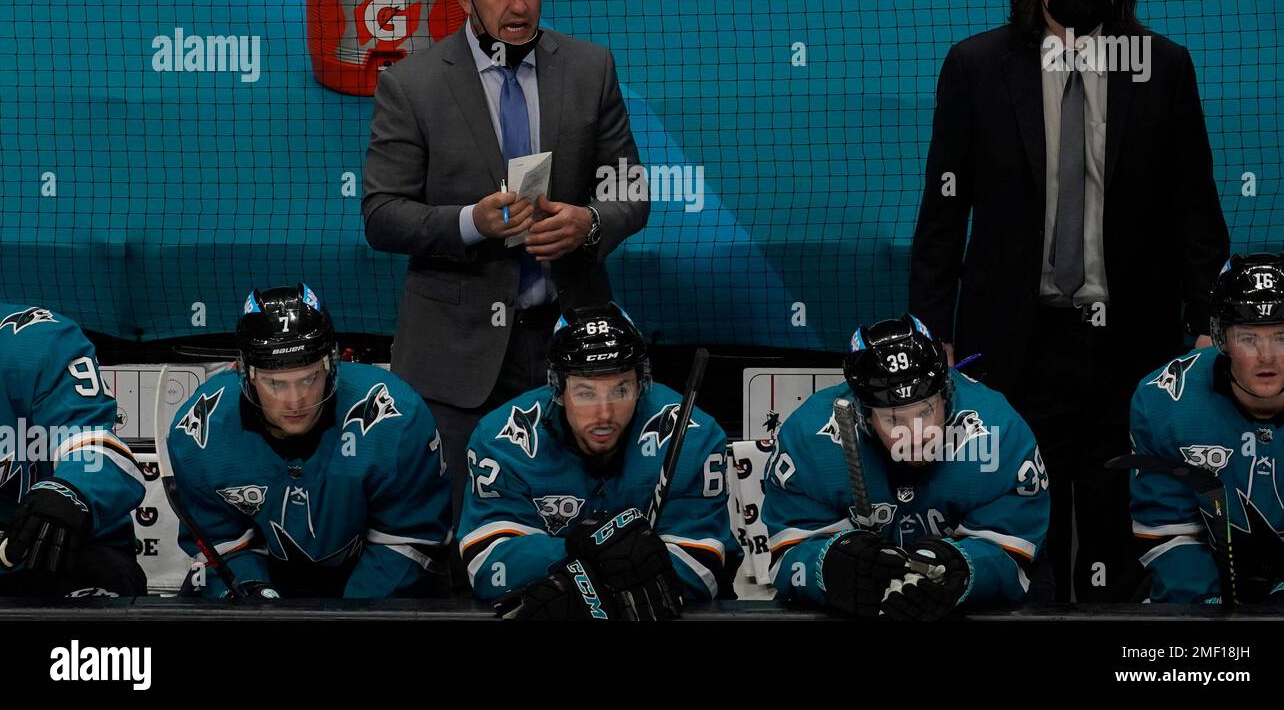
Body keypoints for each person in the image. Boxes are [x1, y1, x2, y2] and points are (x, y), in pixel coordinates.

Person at [909, 0, 1229, 601]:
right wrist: (932, 342)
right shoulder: (977, 66)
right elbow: (942, 218)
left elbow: (1196, 213)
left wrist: (1204, 325)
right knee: (1019, 534)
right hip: (1013, 347)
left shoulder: (1163, 67)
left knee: (1126, 537)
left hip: (1133, 346)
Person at [364, 0, 650, 519]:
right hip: (456, 361)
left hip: (572, 347)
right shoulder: (411, 85)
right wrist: (472, 221)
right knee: (450, 532)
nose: (519, 5)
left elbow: (628, 192)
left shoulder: (589, 67)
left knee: (580, 521)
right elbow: (382, 215)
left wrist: (589, 224)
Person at [166, 284, 453, 599]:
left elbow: (410, 539)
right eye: (275, 383)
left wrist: (350, 617)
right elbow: (221, 540)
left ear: (332, 365)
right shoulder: (201, 430)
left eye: (308, 378)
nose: (294, 401)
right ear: (245, 373)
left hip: (373, 583)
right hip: (268, 581)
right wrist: (253, 596)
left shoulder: (394, 416)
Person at [457, 304, 737, 620]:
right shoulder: (502, 439)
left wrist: (569, 582)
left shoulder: (691, 436)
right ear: (557, 389)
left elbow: (702, 571)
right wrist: (592, 555)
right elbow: (489, 566)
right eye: (586, 393)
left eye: (621, 390)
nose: (604, 414)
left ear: (641, 384)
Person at [763, 315, 1048, 619]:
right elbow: (788, 555)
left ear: (946, 393)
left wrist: (963, 567)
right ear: (864, 414)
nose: (915, 434)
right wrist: (832, 566)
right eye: (894, 419)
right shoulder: (808, 437)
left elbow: (1017, 553)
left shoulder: (998, 431)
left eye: (926, 411)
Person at [1130, 253, 1284, 604]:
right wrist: (1204, 607)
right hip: (1208, 586)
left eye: (1283, 337)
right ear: (1221, 338)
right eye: (1248, 338)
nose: (1266, 356)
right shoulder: (1164, 399)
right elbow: (1167, 527)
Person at [0, 303, 146, 597]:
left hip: (53, 553)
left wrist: (68, 491)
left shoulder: (34, 339)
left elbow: (93, 445)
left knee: (98, 571)